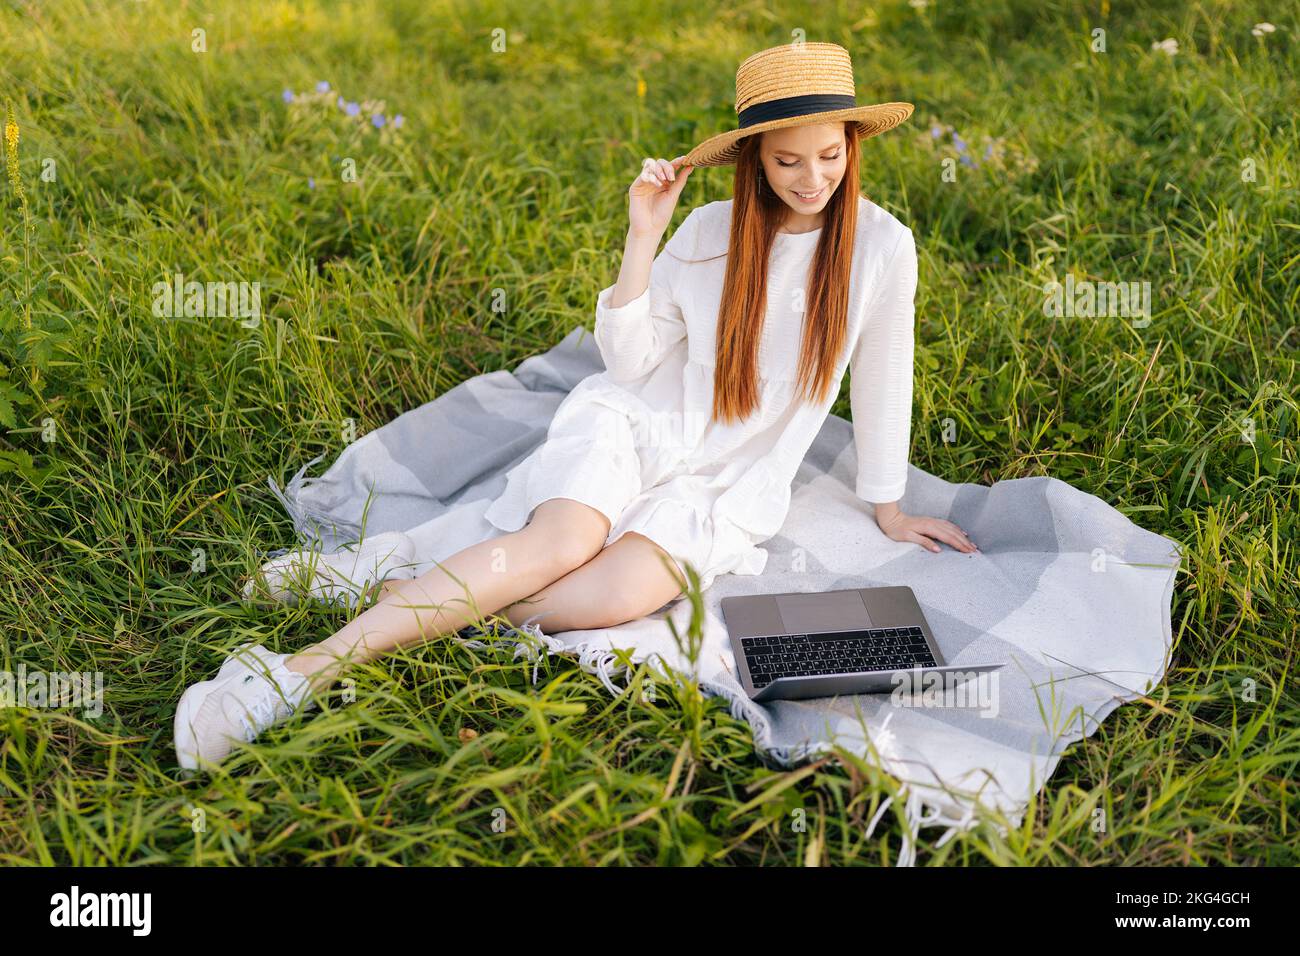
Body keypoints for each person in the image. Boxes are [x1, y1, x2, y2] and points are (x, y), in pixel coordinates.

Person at [173, 41, 978, 770]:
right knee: (556, 545)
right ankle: (293, 673)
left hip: (725, 485)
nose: (810, 179)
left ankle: (407, 584)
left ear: (854, 144)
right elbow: (628, 361)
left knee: (613, 597)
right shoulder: (709, 228)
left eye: (828, 156)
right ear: (754, 161)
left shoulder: (882, 245)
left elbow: (885, 373)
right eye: (786, 162)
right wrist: (640, 236)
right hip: (635, 424)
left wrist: (889, 506)